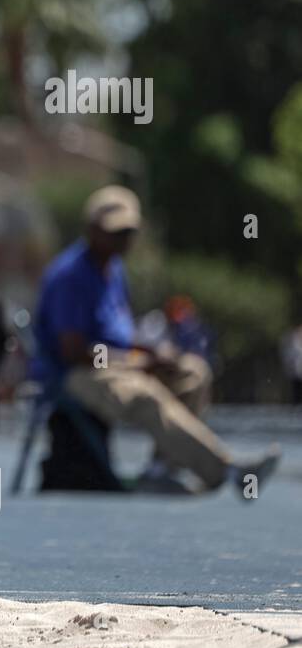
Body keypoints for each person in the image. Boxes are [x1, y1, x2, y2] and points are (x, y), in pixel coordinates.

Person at [32, 185, 279, 495]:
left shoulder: (115, 269)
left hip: (115, 363)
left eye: (128, 233)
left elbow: (119, 335)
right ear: (92, 230)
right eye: (115, 233)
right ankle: (228, 470)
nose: (124, 241)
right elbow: (74, 352)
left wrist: (152, 353)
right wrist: (137, 363)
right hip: (73, 374)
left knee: (192, 372)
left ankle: (161, 468)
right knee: (144, 394)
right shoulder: (69, 276)